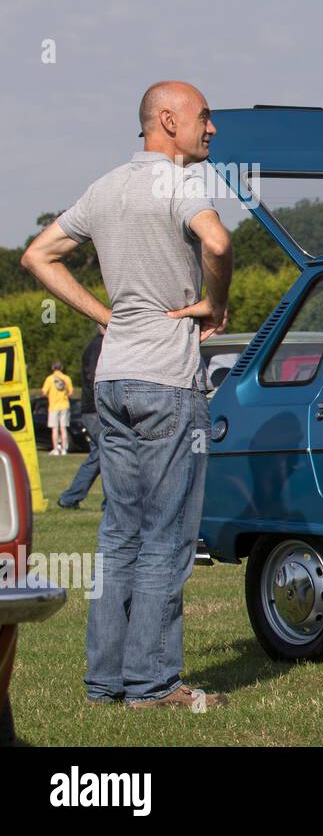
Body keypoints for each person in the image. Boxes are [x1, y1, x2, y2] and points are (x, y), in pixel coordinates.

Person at [21, 80, 232, 709]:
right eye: (204, 117)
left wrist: (104, 316)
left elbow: (39, 255)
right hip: (168, 380)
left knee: (119, 535)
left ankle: (104, 683)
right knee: (167, 537)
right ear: (167, 120)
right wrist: (214, 304)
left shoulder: (105, 186)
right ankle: (154, 684)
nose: (212, 129)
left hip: (113, 379)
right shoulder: (179, 183)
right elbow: (218, 243)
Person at [58, 327, 106, 507]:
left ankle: (70, 498)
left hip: (92, 410)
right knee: (110, 454)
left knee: (99, 455)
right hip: (96, 409)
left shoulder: (98, 344)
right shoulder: (99, 345)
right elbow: (95, 376)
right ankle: (111, 503)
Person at [40, 361, 74, 455]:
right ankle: (64, 449)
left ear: (52, 368)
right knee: (63, 428)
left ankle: (55, 449)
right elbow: (71, 393)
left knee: (54, 428)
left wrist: (49, 396)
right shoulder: (67, 378)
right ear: (61, 368)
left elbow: (43, 392)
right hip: (64, 405)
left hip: (53, 406)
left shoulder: (49, 379)